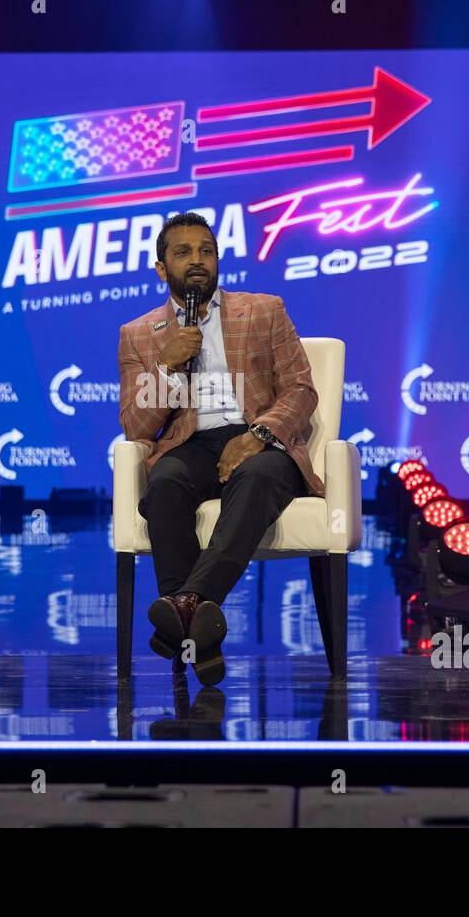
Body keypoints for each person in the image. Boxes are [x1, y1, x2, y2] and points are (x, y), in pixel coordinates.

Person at [118, 212, 322, 684]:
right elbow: (136, 427)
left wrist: (257, 436)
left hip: (262, 440)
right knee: (164, 482)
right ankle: (199, 632)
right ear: (161, 268)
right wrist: (166, 369)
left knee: (256, 476)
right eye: (183, 253)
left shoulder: (265, 310)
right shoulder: (138, 334)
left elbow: (300, 390)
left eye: (206, 251)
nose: (197, 261)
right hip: (190, 444)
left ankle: (184, 609)